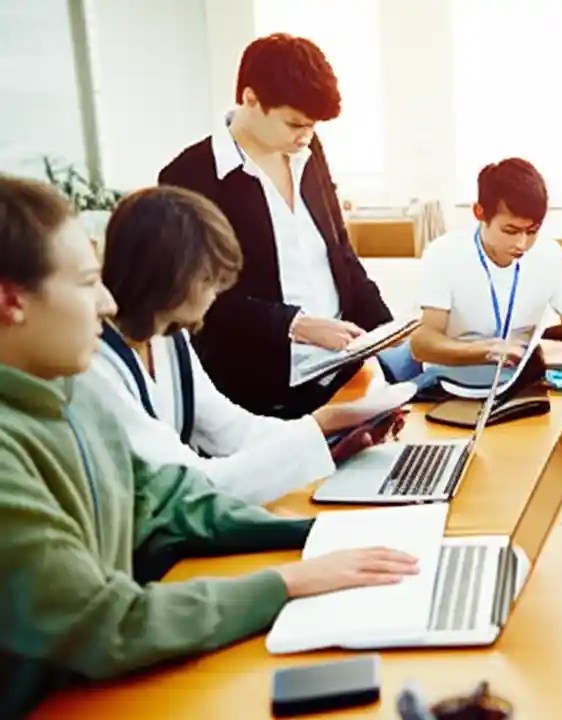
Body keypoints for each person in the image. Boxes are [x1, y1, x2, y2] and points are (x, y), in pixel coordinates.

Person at [0, 175, 418, 716]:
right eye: (85, 282)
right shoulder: (37, 421)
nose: (105, 301)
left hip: (100, 686)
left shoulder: (69, 391)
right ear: (10, 300)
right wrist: (288, 582)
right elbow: (106, 624)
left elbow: (175, 501)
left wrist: (323, 535)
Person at [83, 186, 411, 505]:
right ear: (167, 275)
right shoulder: (96, 367)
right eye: (209, 279)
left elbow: (233, 432)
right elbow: (194, 484)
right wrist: (321, 426)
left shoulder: (168, 338)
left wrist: (332, 427)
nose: (216, 294)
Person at [158, 33, 403, 420]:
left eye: (313, 127)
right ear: (250, 99)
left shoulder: (308, 150)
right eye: (294, 124)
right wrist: (296, 325)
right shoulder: (189, 176)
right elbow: (199, 300)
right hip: (257, 393)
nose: (305, 136)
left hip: (341, 373)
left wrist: (392, 334)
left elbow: (339, 253)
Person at [410, 158, 562, 370]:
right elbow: (422, 344)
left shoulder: (550, 254)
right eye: (510, 231)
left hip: (520, 382)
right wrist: (489, 351)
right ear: (479, 212)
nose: (522, 244)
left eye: (532, 231)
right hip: (452, 384)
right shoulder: (444, 254)